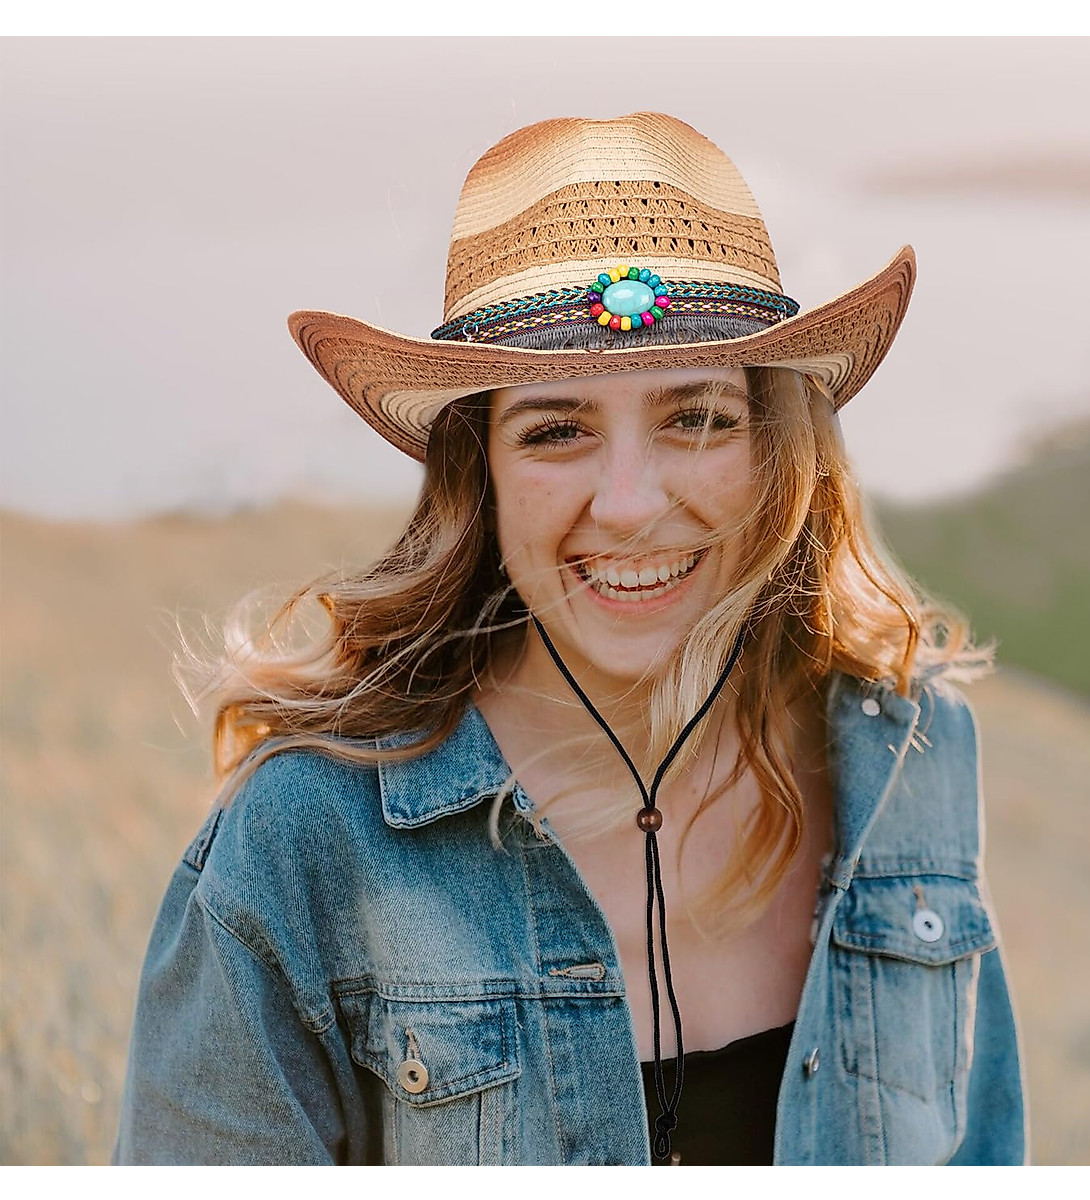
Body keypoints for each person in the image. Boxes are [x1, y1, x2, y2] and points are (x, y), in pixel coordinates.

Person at [114, 112, 1027, 1166]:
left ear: (776, 445)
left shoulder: (909, 761)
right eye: (557, 429)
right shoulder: (307, 843)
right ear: (480, 472)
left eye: (698, 418)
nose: (631, 506)